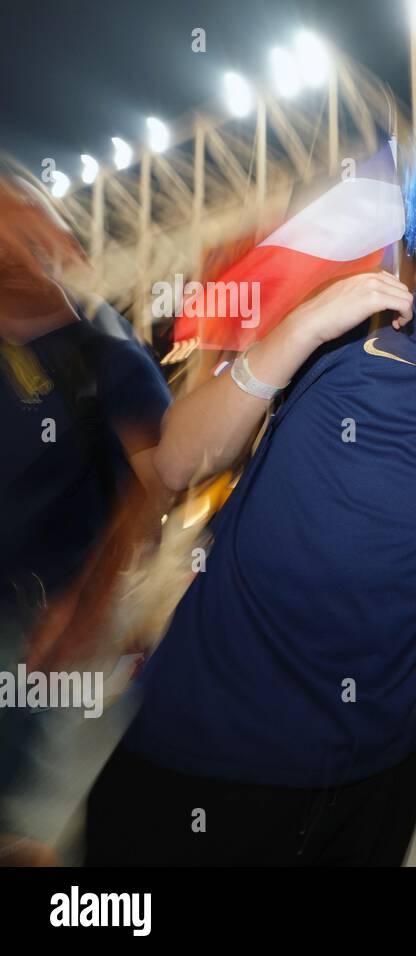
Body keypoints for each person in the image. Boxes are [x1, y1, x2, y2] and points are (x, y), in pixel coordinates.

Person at [84, 78, 416, 866]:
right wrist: (301, 325)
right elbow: (178, 459)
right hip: (218, 745)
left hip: (376, 764)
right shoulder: (346, 319)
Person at [0, 167, 171, 865]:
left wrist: (86, 605)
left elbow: (155, 485)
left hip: (51, 636)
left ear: (54, 239)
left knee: (34, 834)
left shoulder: (103, 350)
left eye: (18, 223)